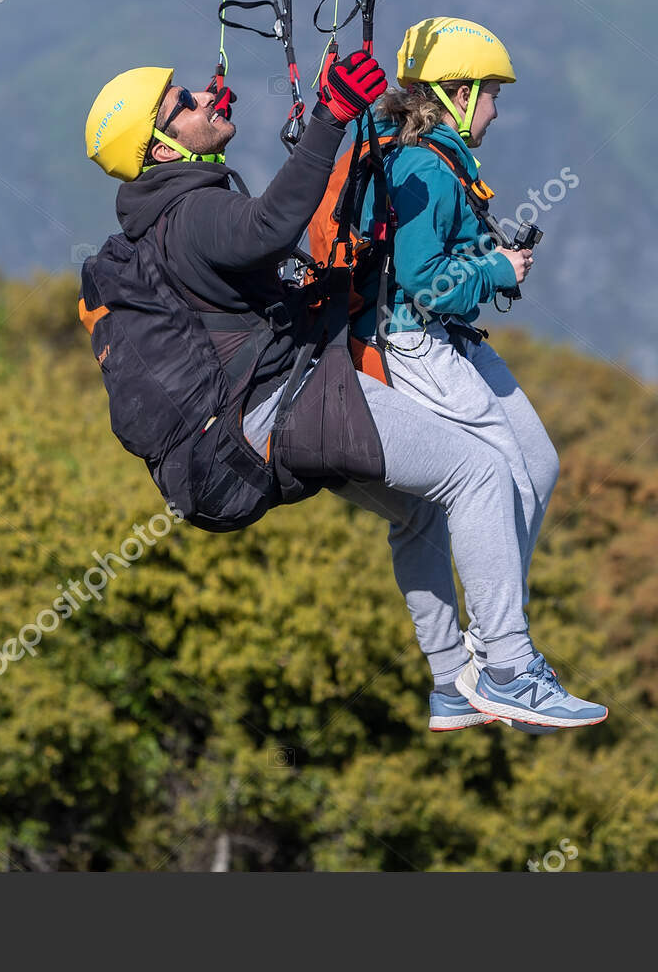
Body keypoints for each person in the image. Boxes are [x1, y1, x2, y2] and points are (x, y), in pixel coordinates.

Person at [82, 49, 605, 732]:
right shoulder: (191, 214)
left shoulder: (160, 222)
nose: (207, 98)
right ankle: (508, 667)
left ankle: (452, 682)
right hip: (283, 414)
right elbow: (270, 225)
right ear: (158, 144)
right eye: (185, 102)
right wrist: (330, 116)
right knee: (477, 472)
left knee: (418, 511)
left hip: (247, 434)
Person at [348, 16, 591, 729]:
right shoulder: (424, 165)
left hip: (450, 336)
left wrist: (493, 267)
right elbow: (422, 283)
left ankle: (479, 662)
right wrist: (493, 267)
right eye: (490, 95)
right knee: (498, 477)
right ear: (456, 91)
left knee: (538, 465)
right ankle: (501, 664)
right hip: (414, 340)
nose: (496, 110)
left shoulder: (437, 158)